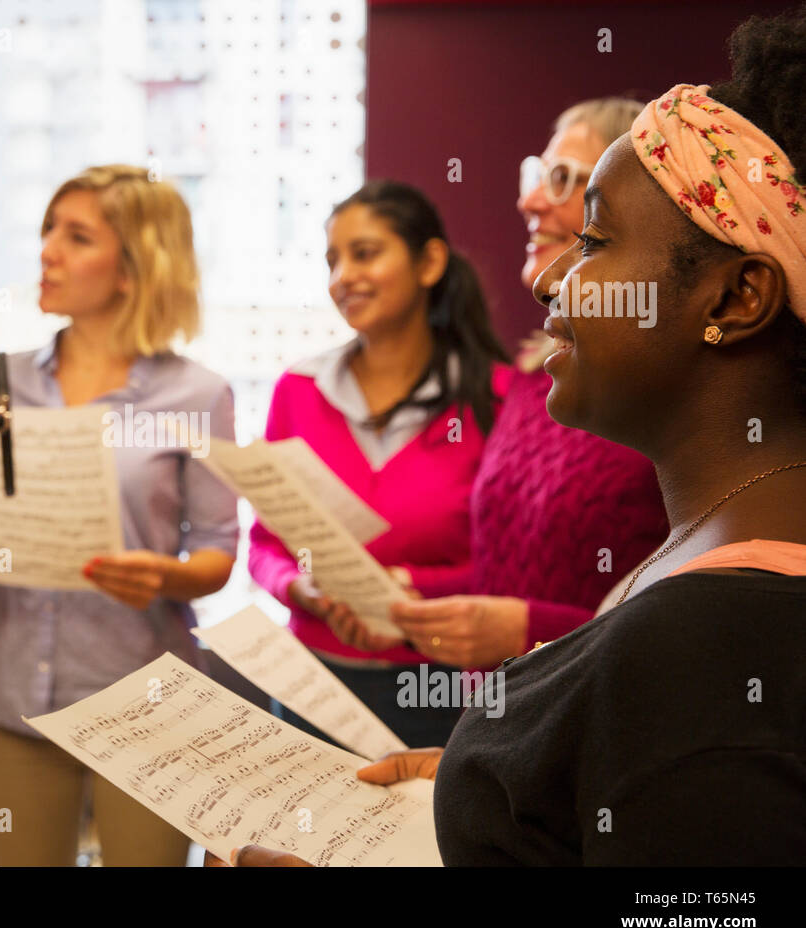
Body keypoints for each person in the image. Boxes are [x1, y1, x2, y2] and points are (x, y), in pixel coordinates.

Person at [236, 3, 806, 865]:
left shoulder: (706, 649)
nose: (549, 284)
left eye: (596, 238)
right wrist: (493, 794)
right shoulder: (705, 571)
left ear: (735, 298)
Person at [0, 165, 239, 866]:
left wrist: (164, 577)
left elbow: (220, 550)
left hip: (147, 703)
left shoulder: (199, 393)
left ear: (136, 268)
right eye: (48, 229)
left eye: (76, 237)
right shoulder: (3, 380)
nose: (47, 250)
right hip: (15, 697)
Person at [389, 98, 670, 670]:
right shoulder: (528, 379)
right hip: (491, 729)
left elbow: (687, 625)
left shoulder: (667, 387)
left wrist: (529, 632)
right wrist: (409, 596)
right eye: (537, 176)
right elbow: (508, 572)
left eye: (565, 180)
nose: (529, 200)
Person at [247, 180, 510, 748]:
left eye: (364, 254)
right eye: (332, 261)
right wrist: (299, 587)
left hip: (444, 690)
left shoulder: (502, 399)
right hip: (311, 685)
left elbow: (512, 570)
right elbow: (264, 544)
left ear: (430, 261)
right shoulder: (297, 390)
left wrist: (411, 586)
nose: (343, 277)